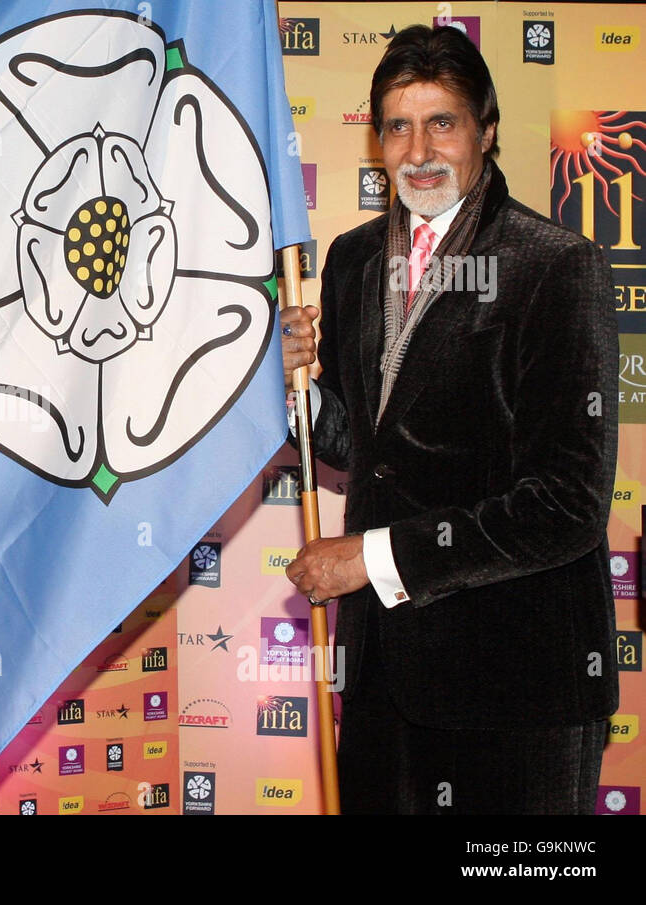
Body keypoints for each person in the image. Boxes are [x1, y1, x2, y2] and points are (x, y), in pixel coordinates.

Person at [279, 25, 618, 814]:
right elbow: (359, 445)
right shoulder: (355, 260)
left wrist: (373, 558)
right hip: (382, 686)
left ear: (486, 131)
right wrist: (293, 388)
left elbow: (566, 505)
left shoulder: (556, 266)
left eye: (444, 122)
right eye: (399, 125)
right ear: (377, 140)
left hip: (517, 693)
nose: (420, 149)